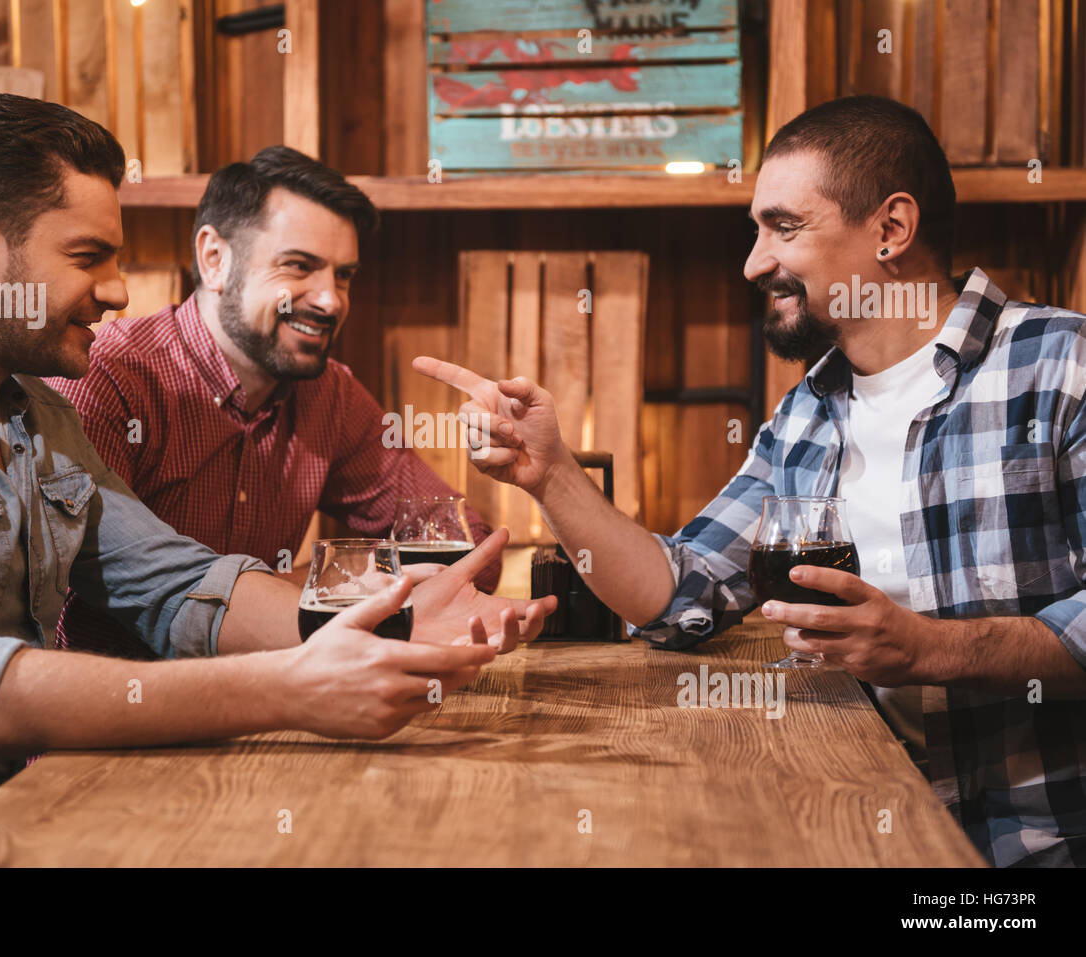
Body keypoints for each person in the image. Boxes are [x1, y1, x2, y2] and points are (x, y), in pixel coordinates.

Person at [0, 93, 553, 866]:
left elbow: (180, 583)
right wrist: (290, 686)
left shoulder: (38, 416)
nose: (118, 290)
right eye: (88, 256)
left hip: (30, 826)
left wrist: (392, 620)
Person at [417, 95, 1086, 867]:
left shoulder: (1060, 366)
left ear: (893, 228)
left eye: (784, 227)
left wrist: (927, 649)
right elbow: (680, 595)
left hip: (1037, 847)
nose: (755, 262)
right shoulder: (807, 413)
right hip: (852, 827)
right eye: (756, 230)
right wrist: (551, 473)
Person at [44, 147, 499, 661]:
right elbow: (100, 588)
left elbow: (474, 554)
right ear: (214, 259)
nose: (330, 300)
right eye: (299, 266)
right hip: (123, 704)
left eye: (344, 275)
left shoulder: (330, 394)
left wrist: (310, 584)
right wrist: (324, 585)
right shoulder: (107, 377)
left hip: (277, 694)